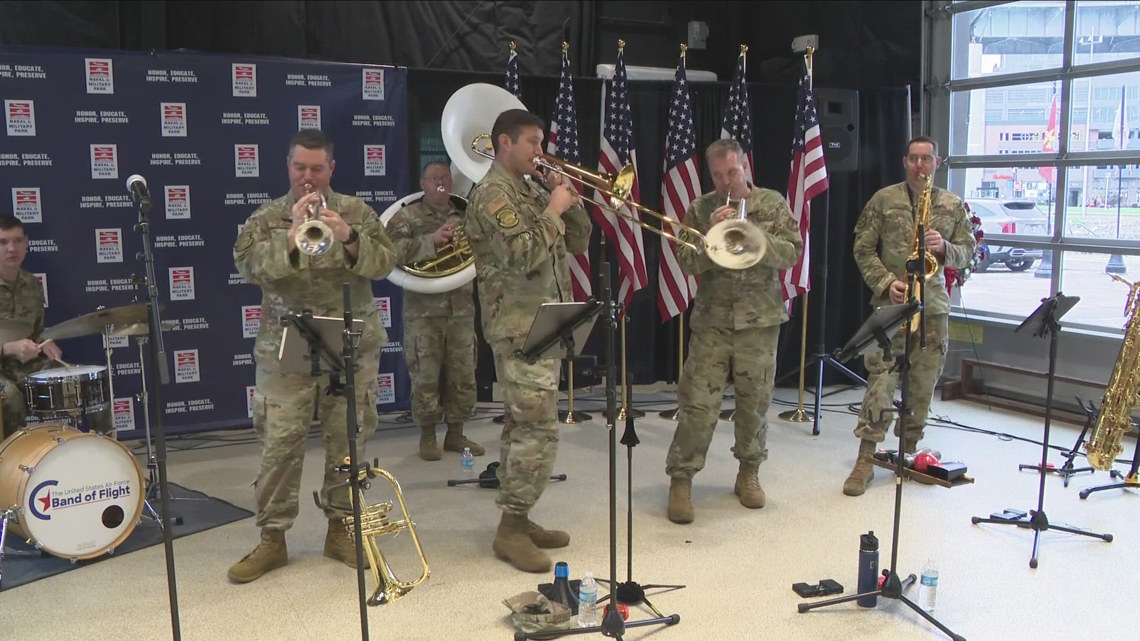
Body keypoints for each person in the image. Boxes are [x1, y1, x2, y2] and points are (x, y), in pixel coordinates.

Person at [229, 129, 397, 582]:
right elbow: (248, 267)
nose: (308, 177)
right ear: (288, 166)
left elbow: (386, 263)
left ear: (331, 168)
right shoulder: (267, 217)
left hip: (351, 346)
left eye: (317, 169)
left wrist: (349, 236)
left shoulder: (357, 212)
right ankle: (272, 539)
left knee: (348, 443)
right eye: (300, 167)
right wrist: (290, 237)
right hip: (286, 350)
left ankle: (341, 530)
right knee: (279, 447)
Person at [464, 109, 591, 573]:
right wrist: (553, 209)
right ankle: (511, 529)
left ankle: (518, 517)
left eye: (541, 142)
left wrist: (568, 202)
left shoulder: (530, 190)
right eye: (533, 142)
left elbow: (577, 243)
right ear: (505, 142)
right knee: (537, 428)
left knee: (523, 425)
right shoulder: (491, 194)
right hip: (517, 327)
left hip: (544, 322)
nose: (541, 151)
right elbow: (521, 254)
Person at [664, 139, 803, 524]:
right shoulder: (700, 209)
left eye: (732, 172)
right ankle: (681, 479)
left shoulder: (772, 203)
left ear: (745, 166)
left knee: (754, 403)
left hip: (759, 322)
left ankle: (748, 472)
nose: (726, 181)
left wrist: (754, 235)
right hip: (713, 323)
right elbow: (686, 262)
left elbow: (792, 252)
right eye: (718, 175)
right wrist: (712, 235)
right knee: (698, 405)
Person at [843, 136, 976, 497]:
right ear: (905, 161)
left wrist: (944, 247)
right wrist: (886, 282)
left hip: (933, 308)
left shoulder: (951, 205)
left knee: (922, 385)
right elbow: (862, 247)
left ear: (937, 163)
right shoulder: (884, 200)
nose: (920, 166)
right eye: (914, 159)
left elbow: (969, 252)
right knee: (881, 382)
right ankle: (866, 459)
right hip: (892, 308)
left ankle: (908, 453)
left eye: (926, 159)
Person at [385, 160, 483, 461]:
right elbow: (388, 251)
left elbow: (484, 247)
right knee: (425, 377)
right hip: (422, 312)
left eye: (444, 177)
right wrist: (432, 241)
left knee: (463, 375)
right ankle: (427, 436)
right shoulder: (407, 216)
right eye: (433, 178)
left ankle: (456, 434)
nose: (440, 182)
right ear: (423, 184)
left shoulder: (466, 216)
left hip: (461, 309)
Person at [0, 214, 113, 438]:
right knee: (10, 397)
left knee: (89, 386)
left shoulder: (32, 284)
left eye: (18, 241)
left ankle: (105, 449)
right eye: (3, 242)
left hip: (25, 367)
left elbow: (36, 331)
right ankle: (11, 457)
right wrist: (9, 348)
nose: (11, 248)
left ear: (26, 243)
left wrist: (44, 342)